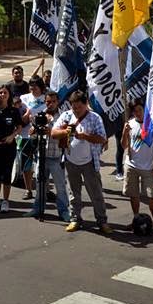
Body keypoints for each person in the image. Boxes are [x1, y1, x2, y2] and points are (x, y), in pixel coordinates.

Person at [50, 90, 112, 234]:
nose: (76, 110)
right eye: (74, 107)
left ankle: (102, 221)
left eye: (79, 107)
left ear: (86, 105)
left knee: (96, 193)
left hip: (90, 162)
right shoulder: (66, 116)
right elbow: (53, 133)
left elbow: (102, 138)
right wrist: (67, 132)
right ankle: (75, 219)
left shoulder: (95, 118)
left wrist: (84, 136)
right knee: (74, 193)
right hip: (71, 161)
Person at [121, 100, 153, 233]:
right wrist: (124, 132)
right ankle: (136, 220)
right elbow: (124, 146)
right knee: (133, 195)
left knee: (151, 196)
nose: (138, 113)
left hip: (147, 167)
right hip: (131, 165)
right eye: (135, 111)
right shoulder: (130, 124)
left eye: (140, 110)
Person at [27, 90, 71, 221]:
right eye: (47, 102)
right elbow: (33, 135)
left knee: (60, 187)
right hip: (41, 155)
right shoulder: (40, 115)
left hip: (56, 156)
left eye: (53, 102)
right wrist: (33, 131)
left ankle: (63, 212)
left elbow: (66, 133)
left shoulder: (63, 116)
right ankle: (37, 209)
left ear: (57, 102)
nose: (50, 104)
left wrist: (51, 129)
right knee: (40, 184)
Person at [0, 84, 24, 212]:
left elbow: (19, 127)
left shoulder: (14, 111)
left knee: (7, 174)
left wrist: (12, 136)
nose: (2, 95)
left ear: (9, 95)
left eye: (5, 93)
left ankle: (6, 201)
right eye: (0, 92)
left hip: (8, 146)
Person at [18, 76, 47, 198]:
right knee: (26, 164)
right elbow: (19, 118)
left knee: (42, 164)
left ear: (41, 87)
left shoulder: (47, 98)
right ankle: (28, 189)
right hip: (26, 135)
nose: (33, 89)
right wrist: (26, 115)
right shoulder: (23, 98)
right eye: (31, 86)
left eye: (35, 86)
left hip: (43, 136)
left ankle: (43, 190)